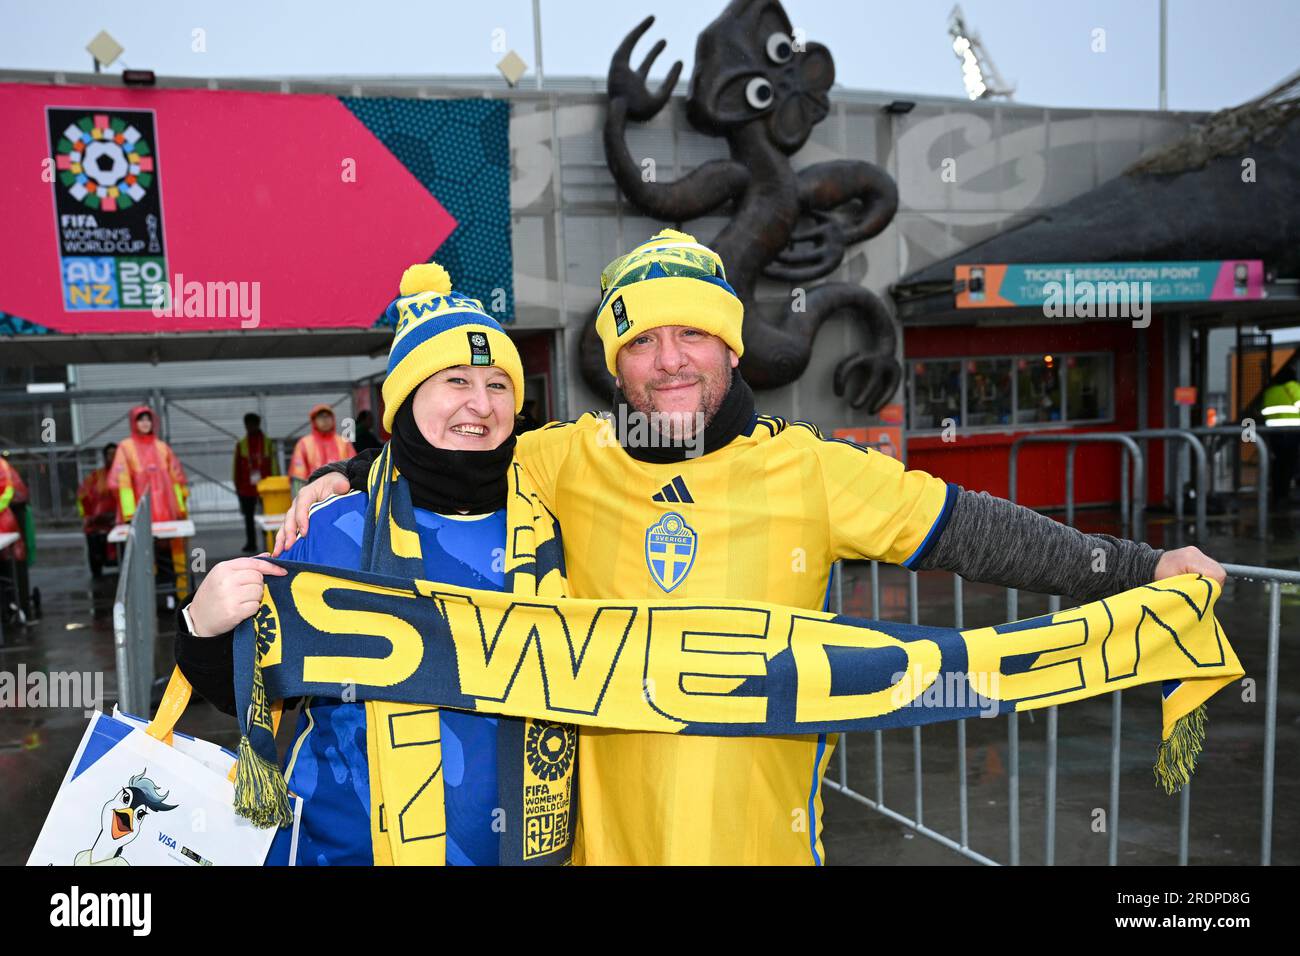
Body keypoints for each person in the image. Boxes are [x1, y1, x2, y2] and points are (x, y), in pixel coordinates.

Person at [282, 229, 1226, 866]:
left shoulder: (813, 471)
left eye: (696, 331)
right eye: (644, 342)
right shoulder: (564, 458)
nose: (672, 359)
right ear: (614, 363)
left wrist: (1140, 568)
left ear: (736, 348)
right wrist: (347, 473)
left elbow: (977, 531)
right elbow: (452, 442)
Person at [177, 263, 534, 865]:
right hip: (346, 850)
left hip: (519, 849)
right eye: (455, 380)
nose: (480, 403)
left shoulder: (551, 523)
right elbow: (251, 692)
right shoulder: (335, 529)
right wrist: (203, 627)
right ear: (406, 400)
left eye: (498, 384)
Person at [108, 406, 191, 602]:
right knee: (143, 557)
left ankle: (170, 595)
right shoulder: (126, 448)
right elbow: (123, 483)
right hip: (140, 515)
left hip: (165, 515)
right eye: (140, 420)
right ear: (134, 423)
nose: (145, 423)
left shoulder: (162, 448)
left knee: (165, 555)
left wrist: (179, 509)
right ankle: (145, 600)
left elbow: (176, 480)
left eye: (148, 419)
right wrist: (131, 515)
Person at [233, 413, 278, 553]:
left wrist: (275, 485)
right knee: (249, 519)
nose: (250, 427)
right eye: (248, 424)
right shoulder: (241, 444)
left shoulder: (267, 443)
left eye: (253, 424)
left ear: (257, 424)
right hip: (247, 488)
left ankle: (271, 543)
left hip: (266, 488)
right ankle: (251, 544)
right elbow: (237, 467)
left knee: (269, 518)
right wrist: (237, 486)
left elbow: (274, 465)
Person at [288, 404, 354, 495]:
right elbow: (298, 478)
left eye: (327, 416)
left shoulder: (344, 442)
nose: (325, 420)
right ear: (314, 421)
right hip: (313, 496)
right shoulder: (304, 443)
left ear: (333, 419)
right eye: (320, 417)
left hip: (342, 493)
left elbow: (354, 468)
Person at [76, 443, 119, 578]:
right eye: (109, 454)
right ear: (104, 457)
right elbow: (82, 496)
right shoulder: (95, 477)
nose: (112, 457)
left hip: (119, 520)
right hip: (99, 522)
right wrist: (88, 516)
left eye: (115, 454)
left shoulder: (125, 475)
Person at [1260, 366, 1300, 504]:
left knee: (1279, 463)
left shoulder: (1270, 391)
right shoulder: (1292, 386)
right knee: (1291, 463)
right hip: (1293, 432)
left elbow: (1263, 412)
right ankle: (1285, 494)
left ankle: (1278, 494)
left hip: (1274, 433)